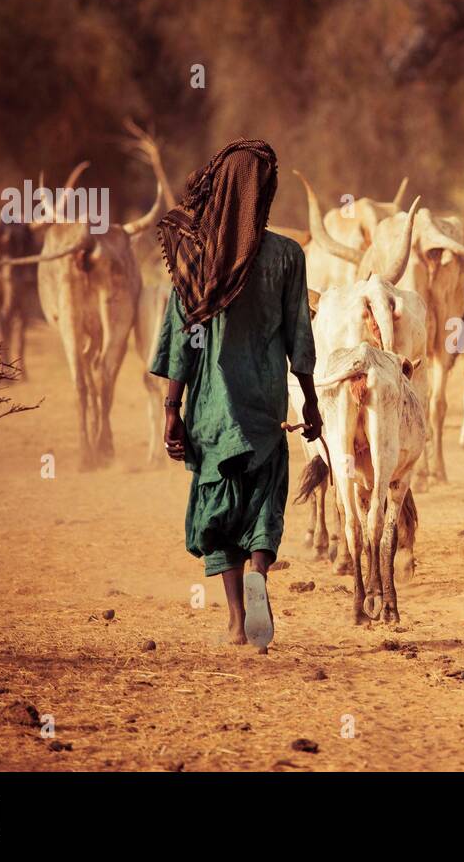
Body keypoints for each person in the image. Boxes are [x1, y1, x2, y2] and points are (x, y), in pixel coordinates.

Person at [149, 139, 321, 650]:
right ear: (262, 194)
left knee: (219, 507)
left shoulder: (195, 258)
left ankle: (235, 619)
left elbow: (180, 337)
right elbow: (299, 335)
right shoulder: (287, 255)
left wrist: (170, 410)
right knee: (264, 495)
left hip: (210, 408)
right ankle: (260, 576)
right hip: (265, 402)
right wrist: (308, 401)